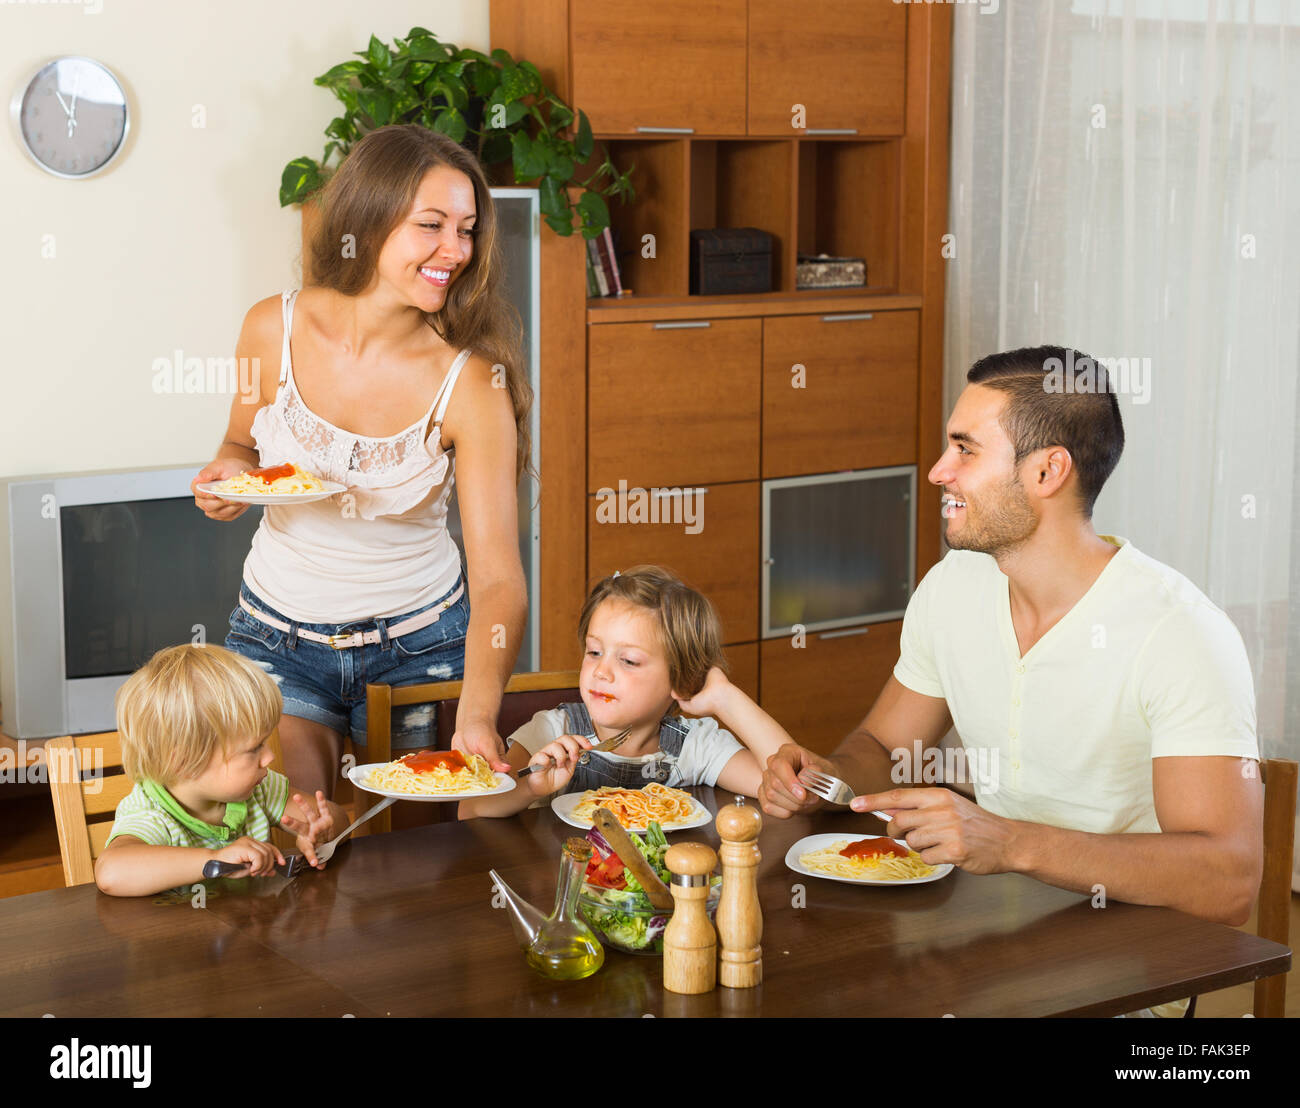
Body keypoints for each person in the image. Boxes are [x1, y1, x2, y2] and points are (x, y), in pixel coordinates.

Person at [760, 346, 1263, 933]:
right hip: (991, 932)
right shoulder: (954, 585)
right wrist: (828, 780)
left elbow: (1229, 881)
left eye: (965, 450)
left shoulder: (1179, 633)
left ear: (1047, 471)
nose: (938, 471)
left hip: (1132, 965)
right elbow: (884, 746)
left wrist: (1010, 844)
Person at [191, 125, 530, 803]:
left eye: (467, 229)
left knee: (416, 867)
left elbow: (499, 579)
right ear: (368, 219)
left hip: (422, 647)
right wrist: (224, 478)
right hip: (277, 638)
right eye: (431, 225)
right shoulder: (272, 329)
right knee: (299, 841)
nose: (456, 250)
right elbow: (239, 445)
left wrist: (479, 712)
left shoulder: (470, 383)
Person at [460, 566, 793, 819]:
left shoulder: (694, 745)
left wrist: (725, 698)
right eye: (593, 652)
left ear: (680, 678)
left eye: (629, 660)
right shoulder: (552, 730)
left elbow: (790, 786)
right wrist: (531, 787)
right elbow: (471, 808)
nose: (602, 671)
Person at [94, 644, 348, 897]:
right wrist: (214, 860)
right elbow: (111, 873)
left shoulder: (260, 788)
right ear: (184, 762)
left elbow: (338, 819)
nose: (269, 757)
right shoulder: (151, 810)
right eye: (254, 748)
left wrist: (323, 833)